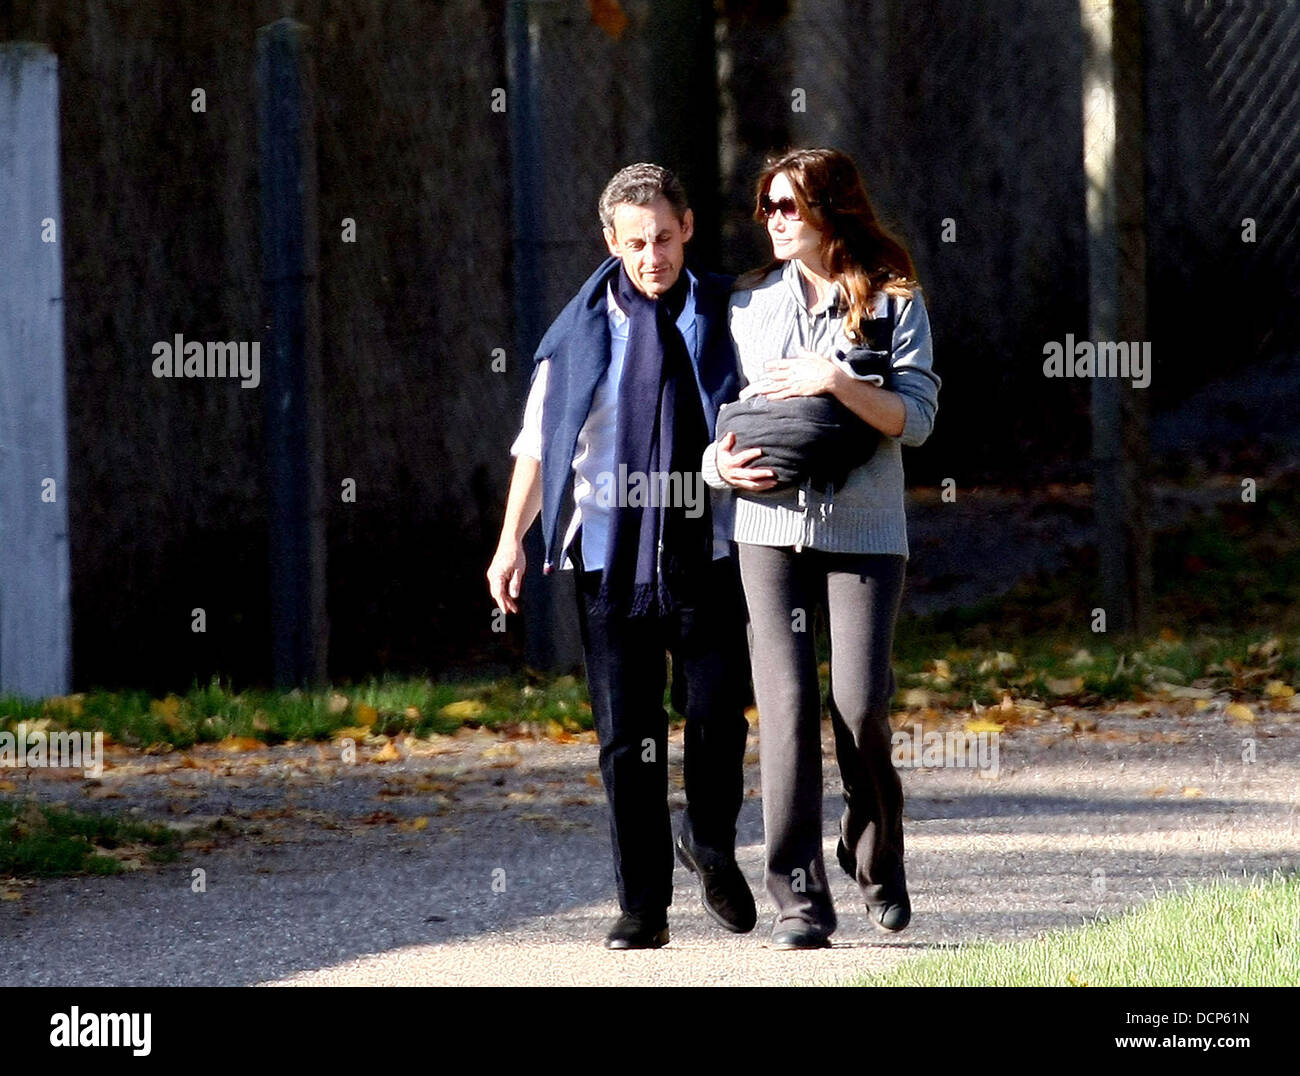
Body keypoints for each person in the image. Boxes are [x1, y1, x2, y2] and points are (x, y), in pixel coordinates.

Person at [487, 163, 756, 950]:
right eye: (635, 243)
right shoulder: (577, 331)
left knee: (715, 714)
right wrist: (511, 540)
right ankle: (643, 906)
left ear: (689, 229)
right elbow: (540, 446)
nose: (652, 257)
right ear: (612, 241)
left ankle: (708, 840)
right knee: (625, 733)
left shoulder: (725, 311)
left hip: (706, 546)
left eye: (665, 239)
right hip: (609, 558)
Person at [702, 148, 941, 949]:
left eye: (788, 207)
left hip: (865, 534)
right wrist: (713, 463)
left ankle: (875, 856)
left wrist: (834, 382)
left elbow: (918, 418)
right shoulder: (745, 308)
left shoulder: (891, 301)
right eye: (766, 207)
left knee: (861, 706)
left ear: (829, 211)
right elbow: (712, 418)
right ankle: (799, 901)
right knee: (788, 711)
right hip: (765, 530)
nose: (772, 221)